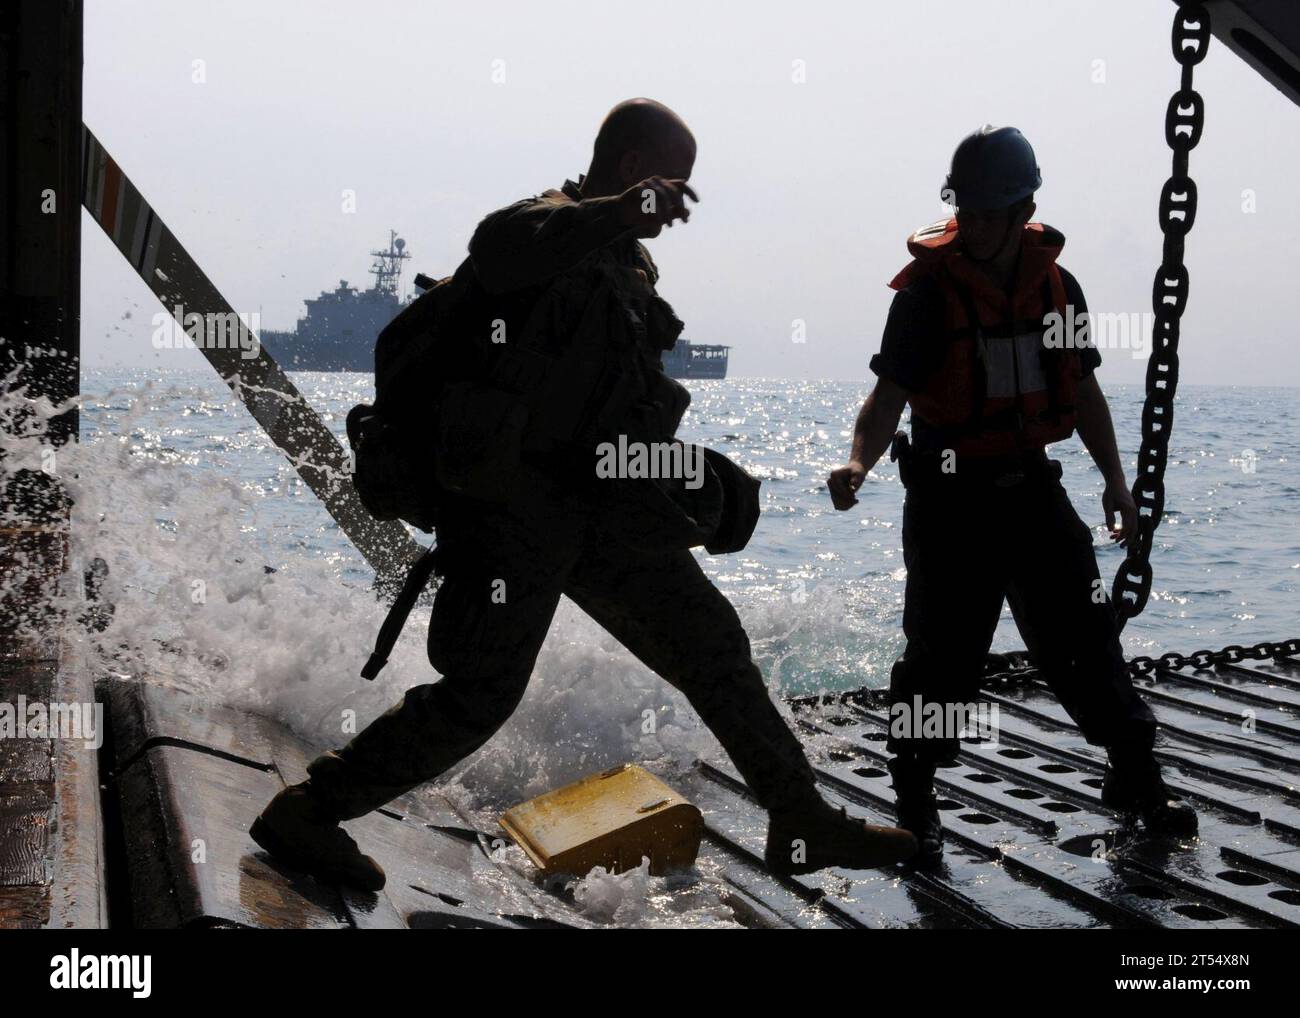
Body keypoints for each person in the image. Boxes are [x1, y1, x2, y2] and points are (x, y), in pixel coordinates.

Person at [252, 98, 916, 890]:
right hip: (510, 513)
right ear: (634, 169)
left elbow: (607, 410)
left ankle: (799, 817)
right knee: (480, 694)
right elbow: (500, 247)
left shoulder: (626, 266)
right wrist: (622, 211)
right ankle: (311, 811)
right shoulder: (547, 226)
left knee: (713, 646)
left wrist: (690, 478)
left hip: (601, 512)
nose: (680, 201)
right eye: (673, 181)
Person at [828, 125, 1197, 866]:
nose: (973, 226)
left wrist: (1116, 482)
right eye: (964, 211)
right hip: (950, 502)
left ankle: (1137, 779)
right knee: (941, 661)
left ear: (1023, 210)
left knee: (1086, 640)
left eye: (988, 213)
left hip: (1031, 488)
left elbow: (1082, 391)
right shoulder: (927, 295)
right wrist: (858, 462)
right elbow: (887, 395)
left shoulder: (1058, 289)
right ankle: (915, 799)